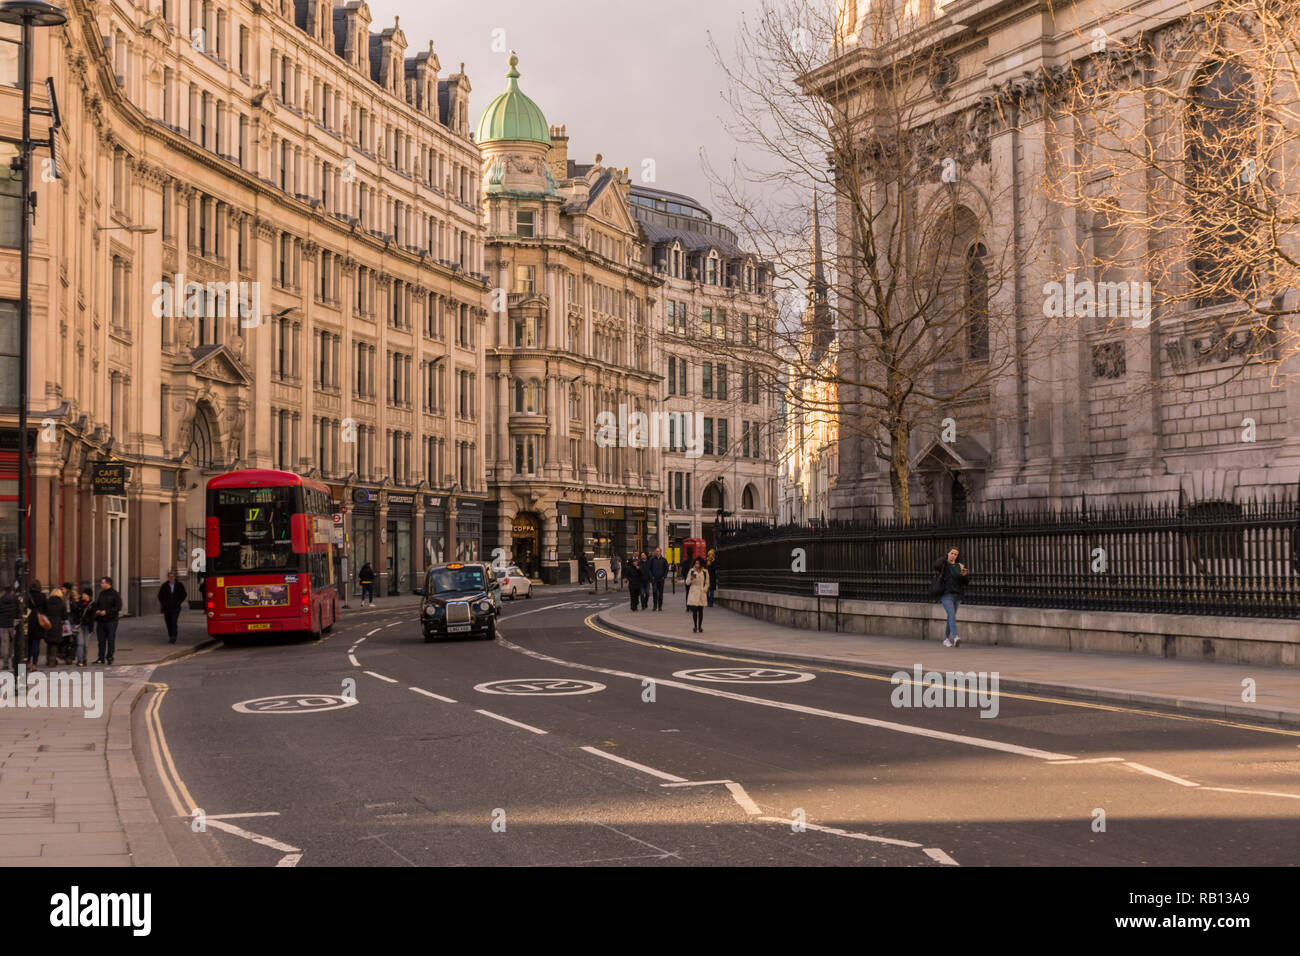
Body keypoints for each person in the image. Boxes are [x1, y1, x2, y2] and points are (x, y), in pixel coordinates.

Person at [932, 547, 971, 647]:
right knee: (952, 614)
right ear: (948, 553)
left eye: (955, 554)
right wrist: (944, 558)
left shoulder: (959, 566)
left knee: (951, 616)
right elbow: (935, 565)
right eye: (952, 553)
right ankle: (956, 637)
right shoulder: (944, 565)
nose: (953, 555)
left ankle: (945, 639)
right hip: (946, 595)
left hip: (957, 595)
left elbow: (966, 582)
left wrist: (965, 574)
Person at [93, 576, 122, 665]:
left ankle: (109, 656)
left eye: (103, 583)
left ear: (108, 583)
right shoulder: (101, 593)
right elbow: (97, 604)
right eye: (101, 583)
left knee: (110, 639)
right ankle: (100, 658)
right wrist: (97, 610)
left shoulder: (115, 594)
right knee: (101, 640)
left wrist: (107, 612)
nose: (101, 584)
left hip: (111, 621)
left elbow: (118, 607)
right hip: (101, 620)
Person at [158, 570, 188, 644]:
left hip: (175, 607)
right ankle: (170, 635)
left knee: (174, 622)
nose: (171, 578)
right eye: (169, 577)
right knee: (168, 623)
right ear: (168, 577)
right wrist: (164, 603)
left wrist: (179, 602)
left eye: (172, 577)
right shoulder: (164, 586)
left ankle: (174, 637)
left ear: (174, 577)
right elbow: (160, 596)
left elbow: (184, 594)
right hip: (167, 608)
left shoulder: (179, 585)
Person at [26, 580, 49, 669]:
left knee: (28, 644)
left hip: (29, 620)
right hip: (39, 621)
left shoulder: (27, 596)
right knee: (36, 643)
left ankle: (27, 662)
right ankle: (34, 664)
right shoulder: (42, 596)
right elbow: (46, 608)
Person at [45, 587, 68, 666]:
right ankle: (52, 660)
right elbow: (65, 616)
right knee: (55, 643)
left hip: (48, 623)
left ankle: (48, 659)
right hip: (57, 624)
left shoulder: (47, 602)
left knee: (49, 642)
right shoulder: (62, 603)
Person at [686, 558, 709, 633]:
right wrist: (691, 578)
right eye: (696, 563)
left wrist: (704, 589)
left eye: (698, 563)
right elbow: (687, 583)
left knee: (700, 610)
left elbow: (707, 583)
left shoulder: (705, 572)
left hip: (701, 592)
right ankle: (695, 626)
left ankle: (700, 626)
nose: (697, 565)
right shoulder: (692, 571)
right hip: (694, 592)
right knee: (695, 610)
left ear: (701, 564)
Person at [74, 587, 94, 667]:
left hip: (88, 626)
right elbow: (75, 614)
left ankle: (84, 659)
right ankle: (79, 660)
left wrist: (91, 628)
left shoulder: (93, 604)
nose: (83, 595)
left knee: (85, 644)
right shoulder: (79, 603)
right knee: (80, 643)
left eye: (85, 594)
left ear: (88, 595)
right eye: (83, 594)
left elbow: (92, 617)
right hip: (80, 626)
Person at [0, 585, 16, 671]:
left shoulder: (1, 599)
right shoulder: (15, 599)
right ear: (12, 591)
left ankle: (5, 663)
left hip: (3, 625)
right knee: (15, 644)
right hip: (13, 624)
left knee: (4, 644)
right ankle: (14, 661)